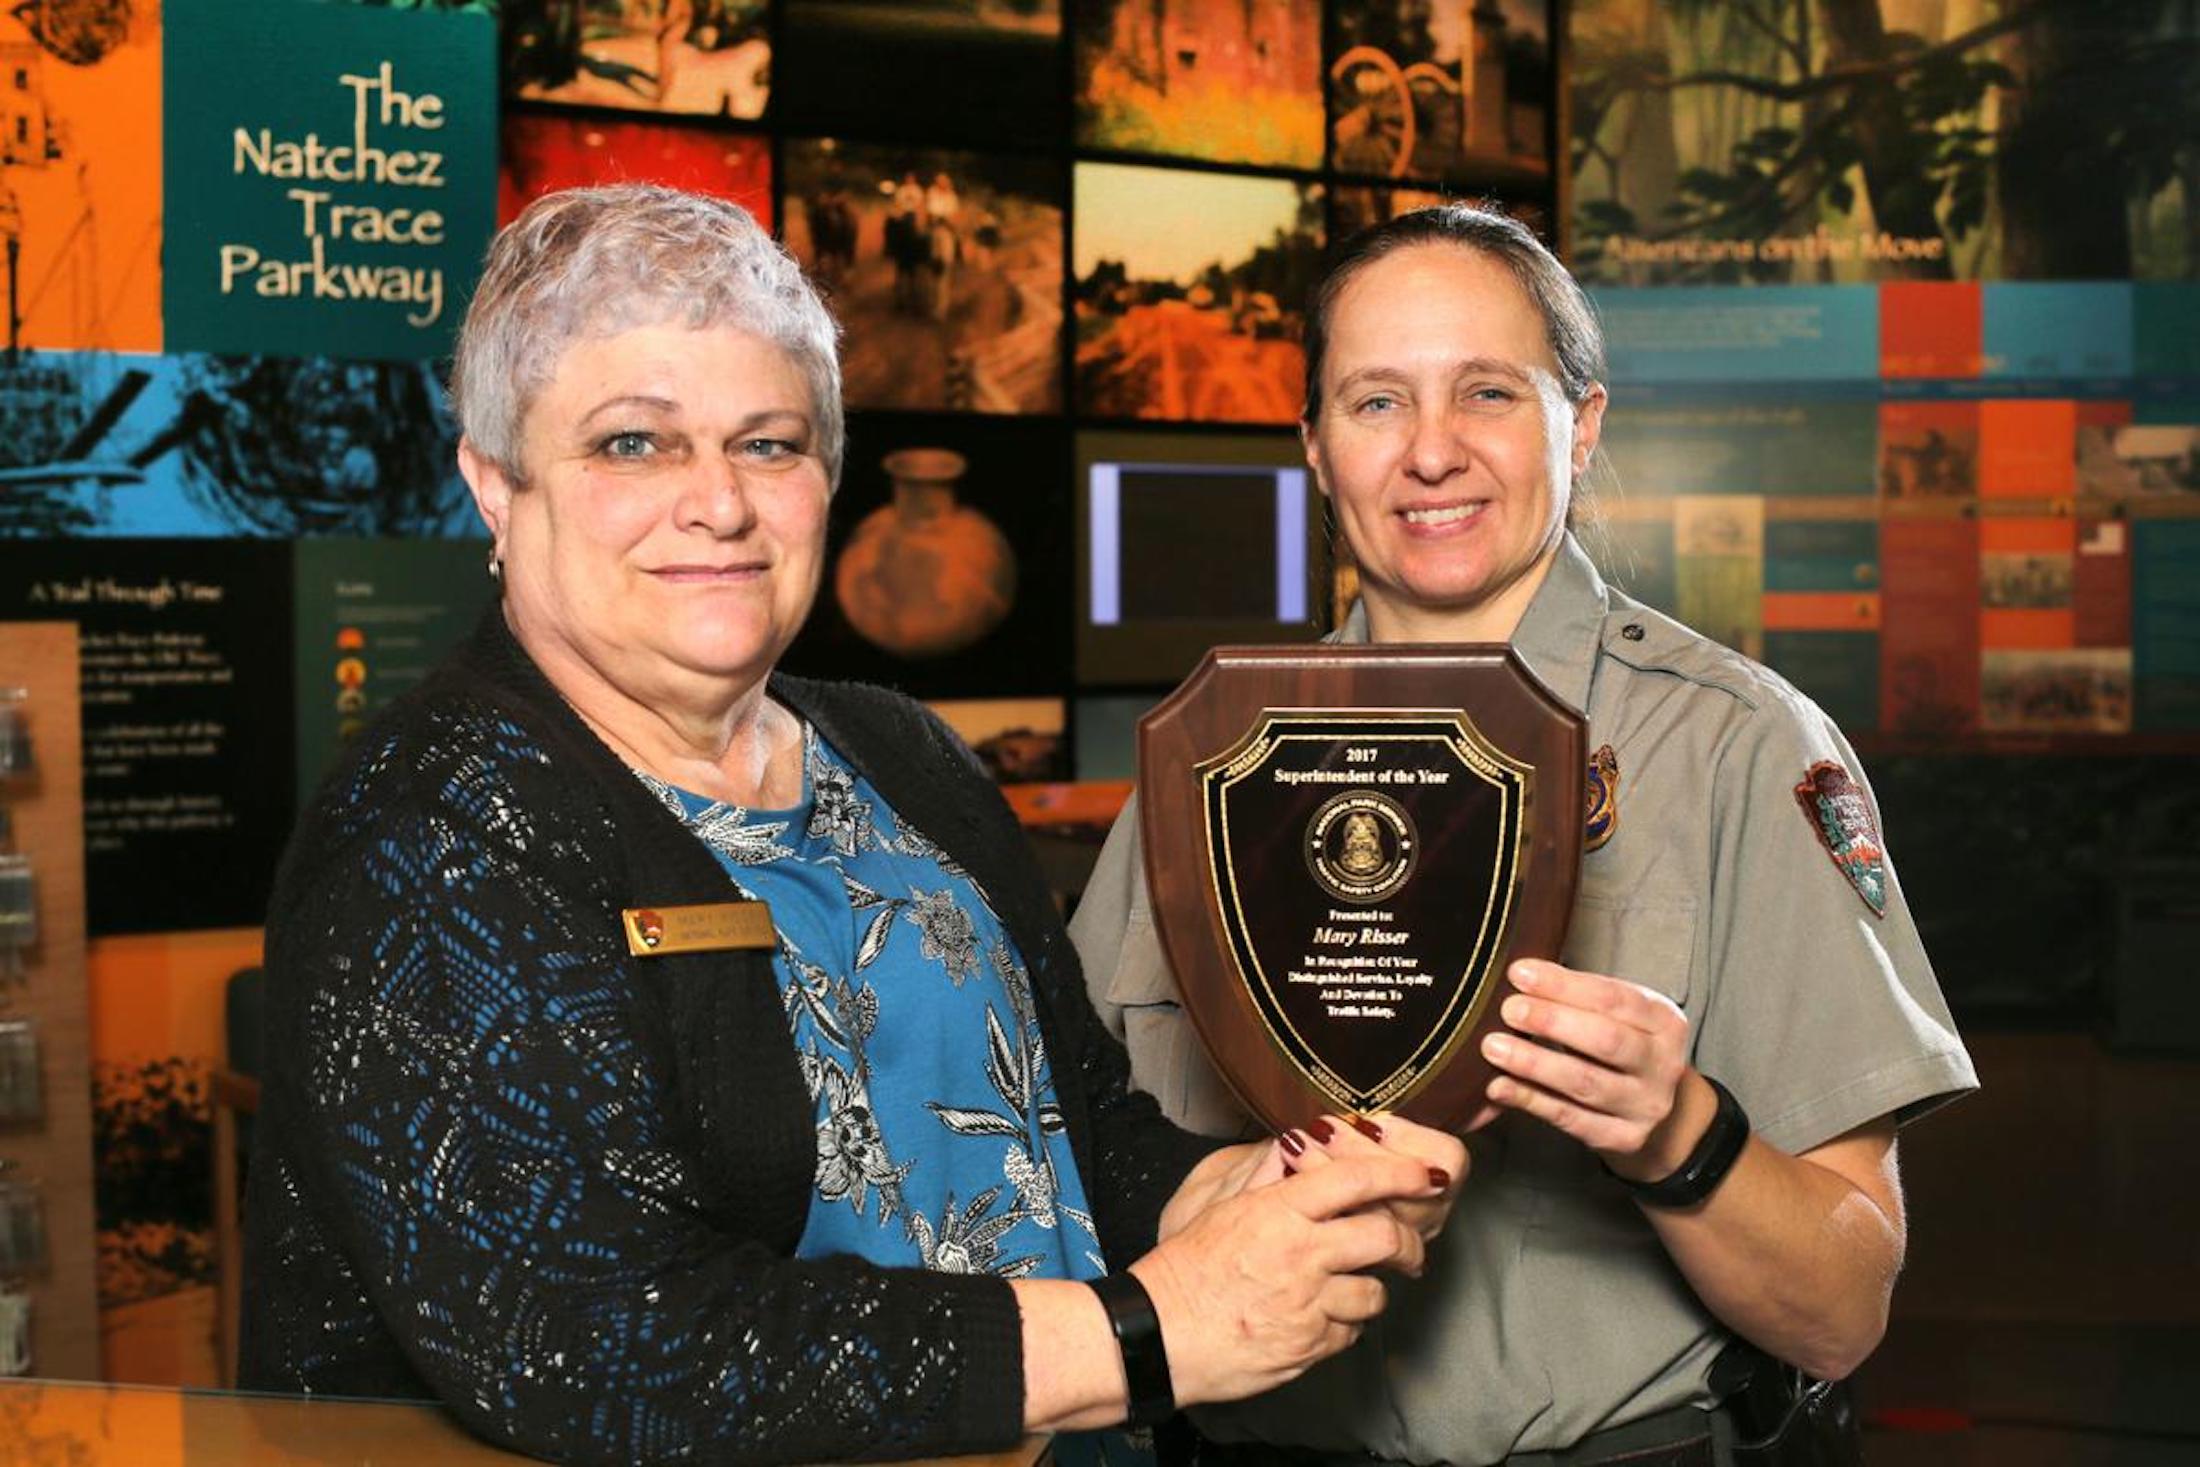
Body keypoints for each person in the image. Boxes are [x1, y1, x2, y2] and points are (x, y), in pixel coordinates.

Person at [239, 184, 1466, 1464]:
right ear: (495, 487)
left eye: (767, 443)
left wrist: (1234, 1200)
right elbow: (592, 1344)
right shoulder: (435, 829)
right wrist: (1152, 1333)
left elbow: (1073, 1128)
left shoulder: (900, 751)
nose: (718, 503)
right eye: (632, 445)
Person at [1070, 204, 1979, 1466]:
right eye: (1377, 402)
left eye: (1488, 392)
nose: (1430, 453)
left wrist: (1677, 1133)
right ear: (1316, 450)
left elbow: (1839, 1312)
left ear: (1583, 424)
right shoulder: (1213, 762)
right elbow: (1055, 1167)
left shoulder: (1733, 745)